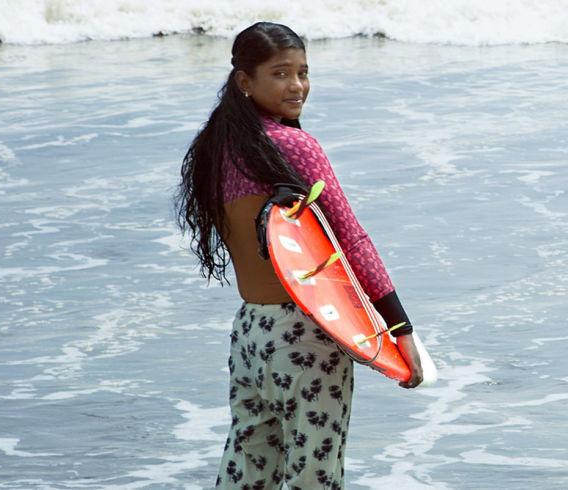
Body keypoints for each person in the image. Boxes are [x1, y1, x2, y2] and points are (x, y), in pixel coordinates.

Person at [175, 21, 424, 489]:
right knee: (315, 477)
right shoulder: (293, 145)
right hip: (306, 336)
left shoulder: (215, 148)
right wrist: (399, 328)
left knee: (247, 473)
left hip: (251, 332)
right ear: (244, 81)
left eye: (304, 72)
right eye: (281, 73)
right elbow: (351, 240)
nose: (297, 86)